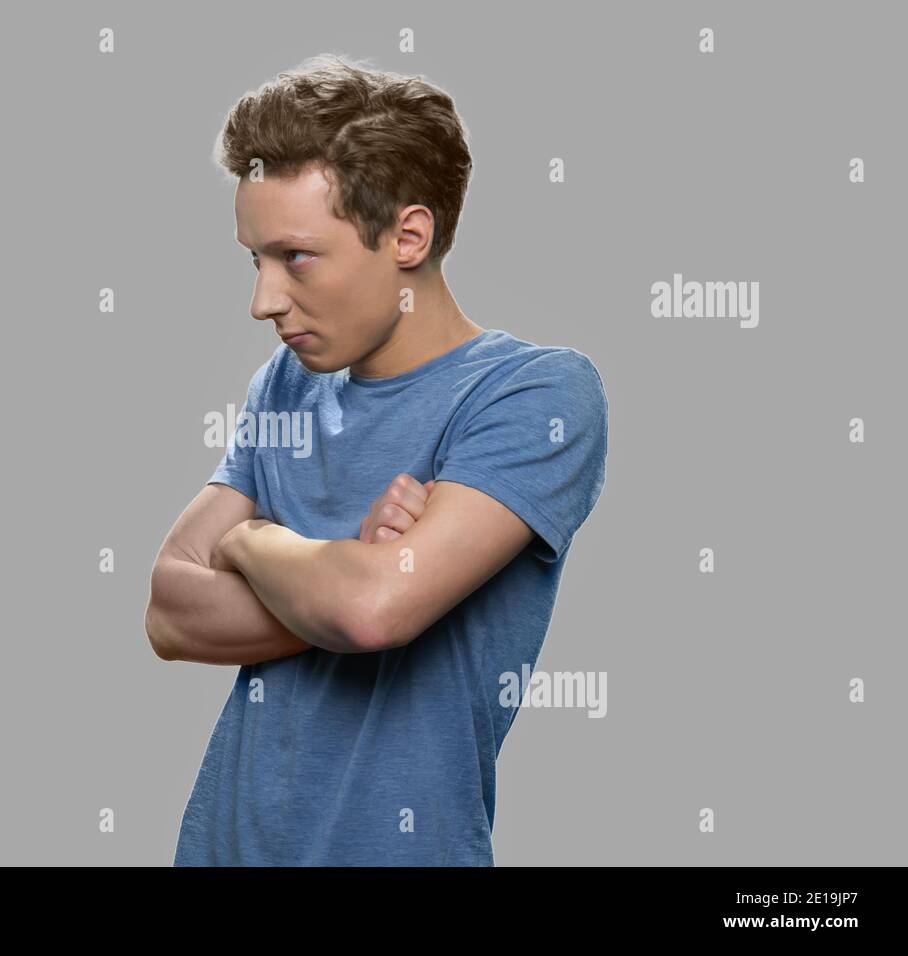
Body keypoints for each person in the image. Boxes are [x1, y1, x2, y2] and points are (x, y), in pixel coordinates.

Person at [145, 54, 609, 866]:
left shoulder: (533, 393)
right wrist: (344, 572)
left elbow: (373, 612)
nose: (264, 300)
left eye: (295, 257)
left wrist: (252, 545)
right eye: (253, 259)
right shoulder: (284, 386)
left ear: (408, 235)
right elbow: (168, 613)